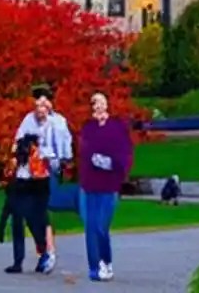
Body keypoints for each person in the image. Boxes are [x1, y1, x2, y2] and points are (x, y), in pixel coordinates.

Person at [15, 85, 72, 274]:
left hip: (48, 171)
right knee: (29, 212)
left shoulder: (58, 122)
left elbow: (65, 150)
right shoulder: (28, 120)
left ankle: (49, 251)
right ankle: (43, 249)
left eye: (44, 102)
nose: (40, 107)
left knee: (42, 210)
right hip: (29, 173)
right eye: (37, 103)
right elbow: (18, 141)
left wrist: (55, 158)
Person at [78, 92, 133, 283]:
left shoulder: (117, 127)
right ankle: (95, 267)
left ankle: (106, 262)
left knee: (102, 226)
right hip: (89, 185)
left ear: (107, 104)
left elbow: (125, 154)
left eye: (100, 102)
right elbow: (84, 152)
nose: (98, 106)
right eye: (94, 103)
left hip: (109, 186)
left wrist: (110, 163)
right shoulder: (88, 128)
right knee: (90, 226)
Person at [3, 134, 50, 274]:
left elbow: (39, 177)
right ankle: (18, 261)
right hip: (19, 190)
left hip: (30, 192)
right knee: (17, 226)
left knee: (34, 225)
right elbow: (8, 174)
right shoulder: (16, 160)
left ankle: (43, 253)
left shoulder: (35, 158)